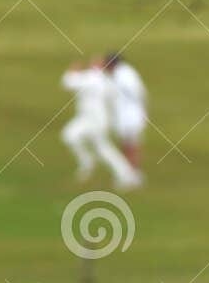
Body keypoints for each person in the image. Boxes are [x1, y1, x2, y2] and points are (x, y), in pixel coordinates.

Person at [61, 59, 140, 190]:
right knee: (71, 136)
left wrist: (72, 70)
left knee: (102, 148)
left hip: (94, 120)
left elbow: (67, 83)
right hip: (89, 118)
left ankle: (125, 175)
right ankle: (88, 162)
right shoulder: (104, 80)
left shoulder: (92, 78)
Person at [104, 52, 148, 172]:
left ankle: (133, 173)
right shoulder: (124, 73)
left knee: (131, 146)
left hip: (130, 117)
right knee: (128, 145)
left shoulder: (122, 75)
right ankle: (130, 172)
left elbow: (137, 93)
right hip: (129, 115)